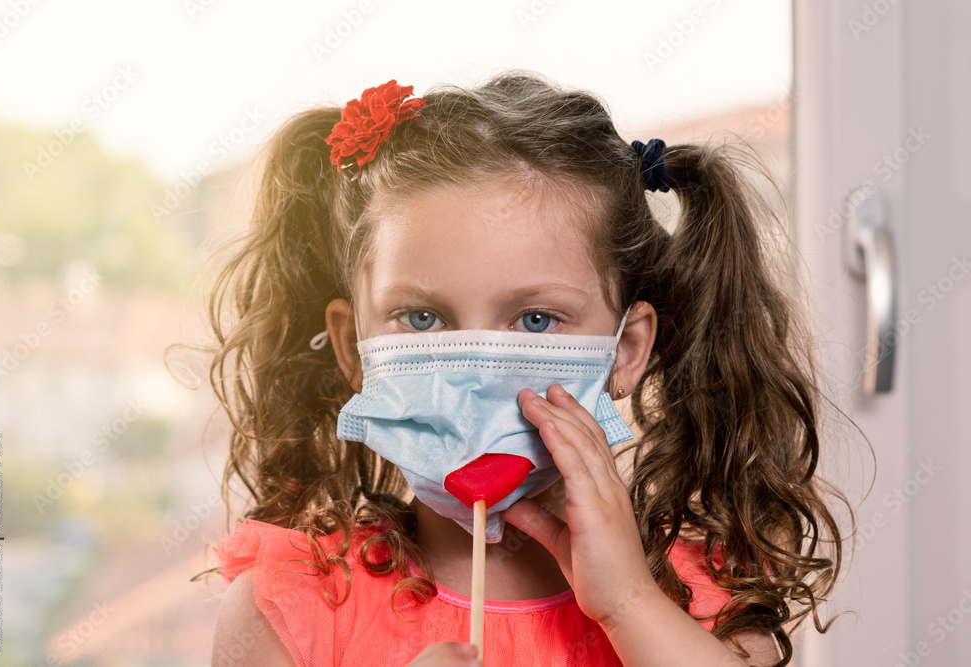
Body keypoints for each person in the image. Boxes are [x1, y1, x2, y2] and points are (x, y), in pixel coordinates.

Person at [205, 73, 847, 666]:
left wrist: (628, 605)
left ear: (626, 351)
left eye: (536, 319)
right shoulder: (291, 607)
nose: (476, 375)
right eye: (423, 318)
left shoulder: (708, 600)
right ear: (353, 349)